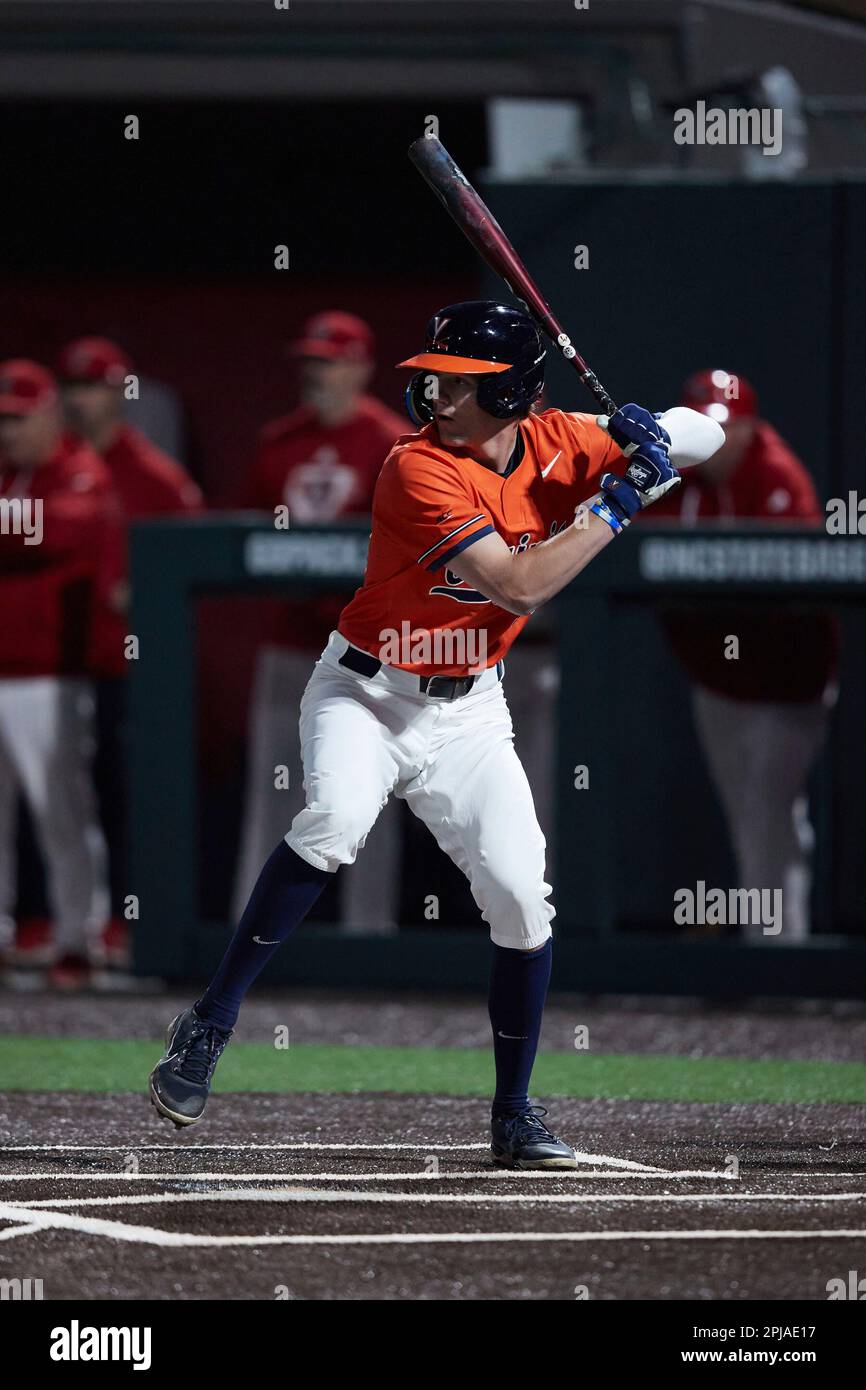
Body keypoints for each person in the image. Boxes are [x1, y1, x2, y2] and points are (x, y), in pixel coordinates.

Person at [149, 301, 720, 1167]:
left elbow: (703, 436)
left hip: (470, 711)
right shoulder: (414, 468)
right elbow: (519, 587)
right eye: (435, 379)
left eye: (461, 385)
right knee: (335, 823)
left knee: (524, 900)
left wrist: (654, 432)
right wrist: (616, 507)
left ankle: (515, 1114)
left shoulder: (566, 435)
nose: (435, 397)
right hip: (366, 694)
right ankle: (210, 1023)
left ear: (516, 394)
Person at [649, 369, 838, 940]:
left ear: (751, 426)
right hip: (719, 682)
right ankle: (772, 953)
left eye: (724, 428)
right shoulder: (670, 474)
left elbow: (788, 604)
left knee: (769, 817)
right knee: (750, 819)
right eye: (700, 427)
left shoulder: (777, 478)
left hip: (787, 685)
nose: (712, 440)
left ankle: (779, 958)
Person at [233, 311, 405, 933]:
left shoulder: (395, 444)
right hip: (290, 644)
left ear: (361, 366)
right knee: (273, 795)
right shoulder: (280, 441)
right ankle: (251, 940)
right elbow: (244, 543)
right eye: (308, 362)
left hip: (368, 652)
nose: (315, 374)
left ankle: (369, 939)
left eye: (328, 362)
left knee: (366, 800)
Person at [58, 336, 205, 970]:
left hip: (130, 667)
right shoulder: (48, 470)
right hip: (57, 662)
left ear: (120, 394)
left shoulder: (152, 476)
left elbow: (200, 564)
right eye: (74, 388)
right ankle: (61, 923)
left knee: (127, 795)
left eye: (94, 388)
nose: (82, 401)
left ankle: (128, 922)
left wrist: (142, 591)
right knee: (61, 796)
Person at [0, 360, 121, 985]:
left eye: (19, 419)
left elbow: (53, 531)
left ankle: (78, 938)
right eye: (1, 420)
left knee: (61, 812)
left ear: (48, 414)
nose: (8, 431)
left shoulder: (79, 468)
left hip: (50, 676)